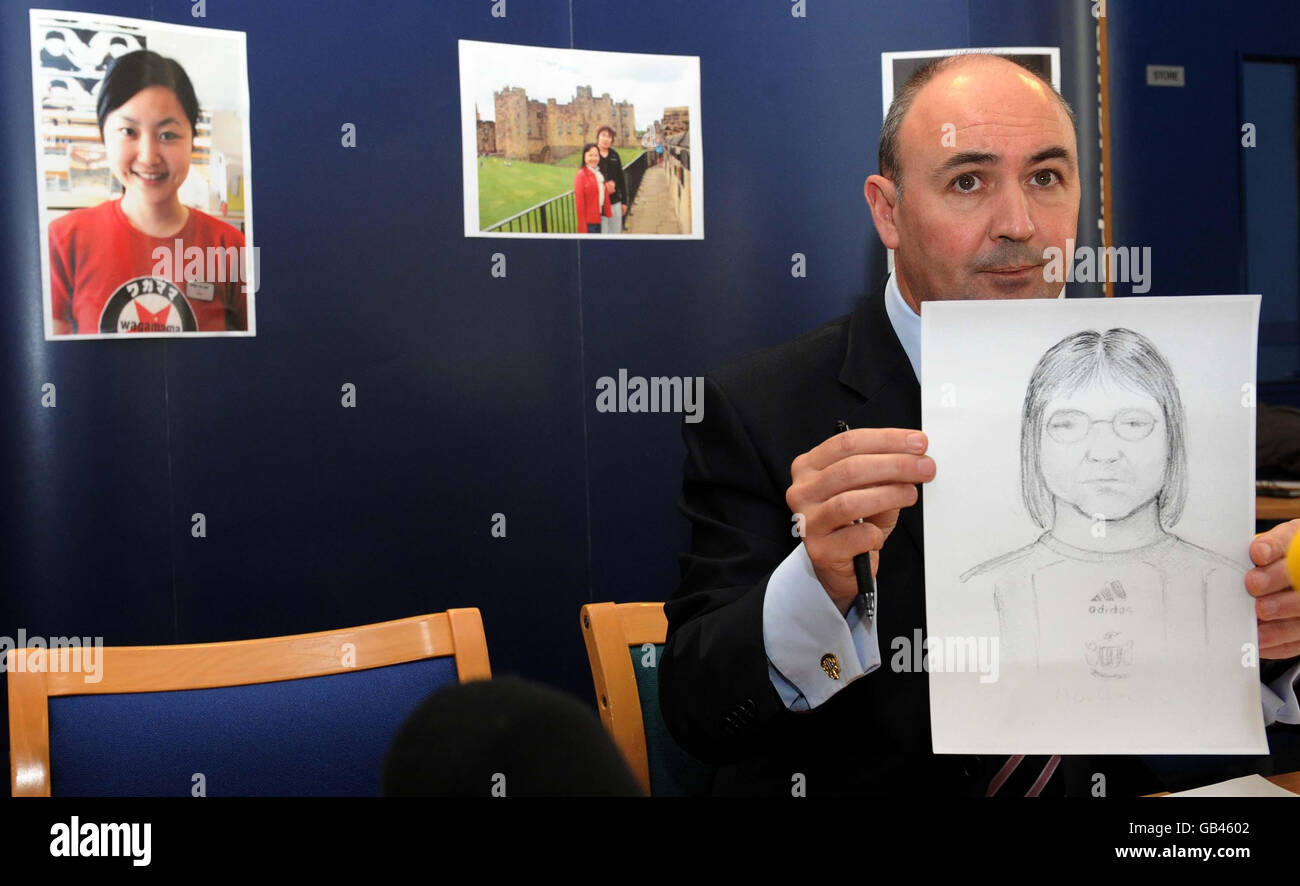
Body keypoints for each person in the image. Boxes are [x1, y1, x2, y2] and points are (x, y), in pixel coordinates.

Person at [659, 52, 1300, 796]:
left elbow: (1214, 725)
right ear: (887, 210)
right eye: (969, 182)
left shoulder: (1170, 392)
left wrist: (1271, 645)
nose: (1020, 224)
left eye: (1046, 178)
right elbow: (697, 712)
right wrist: (819, 585)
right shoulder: (761, 407)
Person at [962, 327, 1242, 675]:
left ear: (1172, 438)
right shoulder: (984, 592)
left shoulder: (1223, 585)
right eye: (1067, 425)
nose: (1104, 452)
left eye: (1134, 423)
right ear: (1033, 443)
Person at [47, 50, 247, 335]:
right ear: (104, 136)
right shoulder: (63, 242)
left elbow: (259, 355)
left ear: (192, 139)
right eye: (129, 131)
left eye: (168, 135)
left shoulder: (231, 248)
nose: (149, 156)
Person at [595, 125, 628, 234]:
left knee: (615, 234)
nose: (606, 139)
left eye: (609, 137)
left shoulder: (615, 155)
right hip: (599, 204)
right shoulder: (593, 155)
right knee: (602, 237)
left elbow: (621, 178)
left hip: (615, 202)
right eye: (603, 135)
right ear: (598, 137)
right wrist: (604, 188)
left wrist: (624, 202)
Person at [573, 142, 610, 234]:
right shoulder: (581, 175)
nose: (593, 158)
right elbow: (579, 204)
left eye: (596, 155)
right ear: (584, 157)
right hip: (589, 223)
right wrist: (582, 227)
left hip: (599, 218)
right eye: (590, 155)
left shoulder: (597, 173)